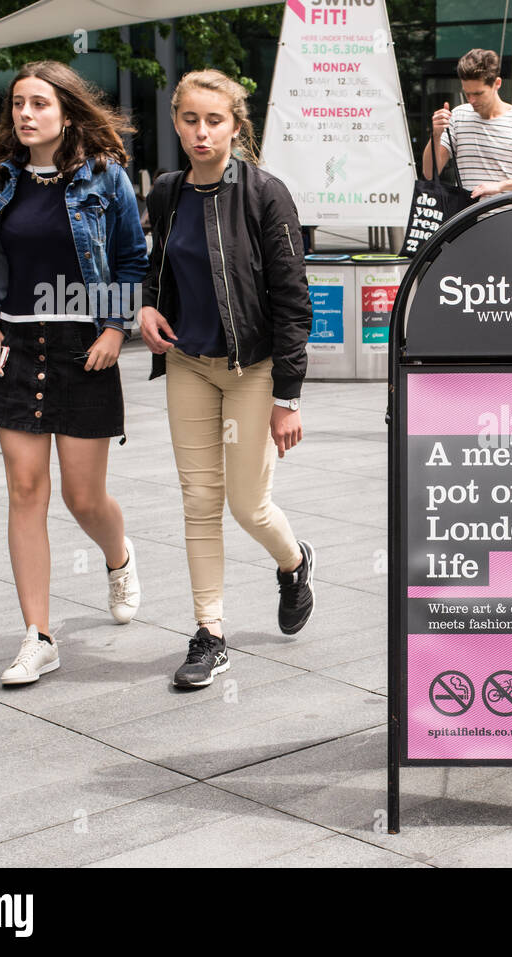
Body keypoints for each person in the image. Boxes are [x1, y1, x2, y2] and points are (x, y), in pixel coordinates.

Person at [0, 61, 148, 686]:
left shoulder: (107, 178)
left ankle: (118, 558)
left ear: (66, 112)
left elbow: (129, 258)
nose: (24, 113)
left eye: (39, 103)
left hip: (83, 345)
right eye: (18, 103)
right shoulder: (6, 179)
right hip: (16, 344)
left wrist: (116, 330)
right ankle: (39, 636)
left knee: (83, 496)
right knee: (24, 490)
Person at [138, 69, 316, 690]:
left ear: (236, 127)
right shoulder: (167, 192)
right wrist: (147, 306)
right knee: (199, 500)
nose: (201, 131)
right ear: (177, 122)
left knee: (247, 504)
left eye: (214, 120)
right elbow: (157, 268)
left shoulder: (267, 195)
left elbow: (294, 300)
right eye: (190, 119)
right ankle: (209, 633)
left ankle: (294, 564)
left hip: (253, 370)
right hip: (188, 364)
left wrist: (287, 397)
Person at [423, 48, 512, 197]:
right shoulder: (458, 116)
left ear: (497, 83)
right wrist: (436, 135)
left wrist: (501, 186)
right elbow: (430, 173)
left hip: (507, 217)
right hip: (468, 217)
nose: (472, 100)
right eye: (467, 93)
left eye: (478, 93)